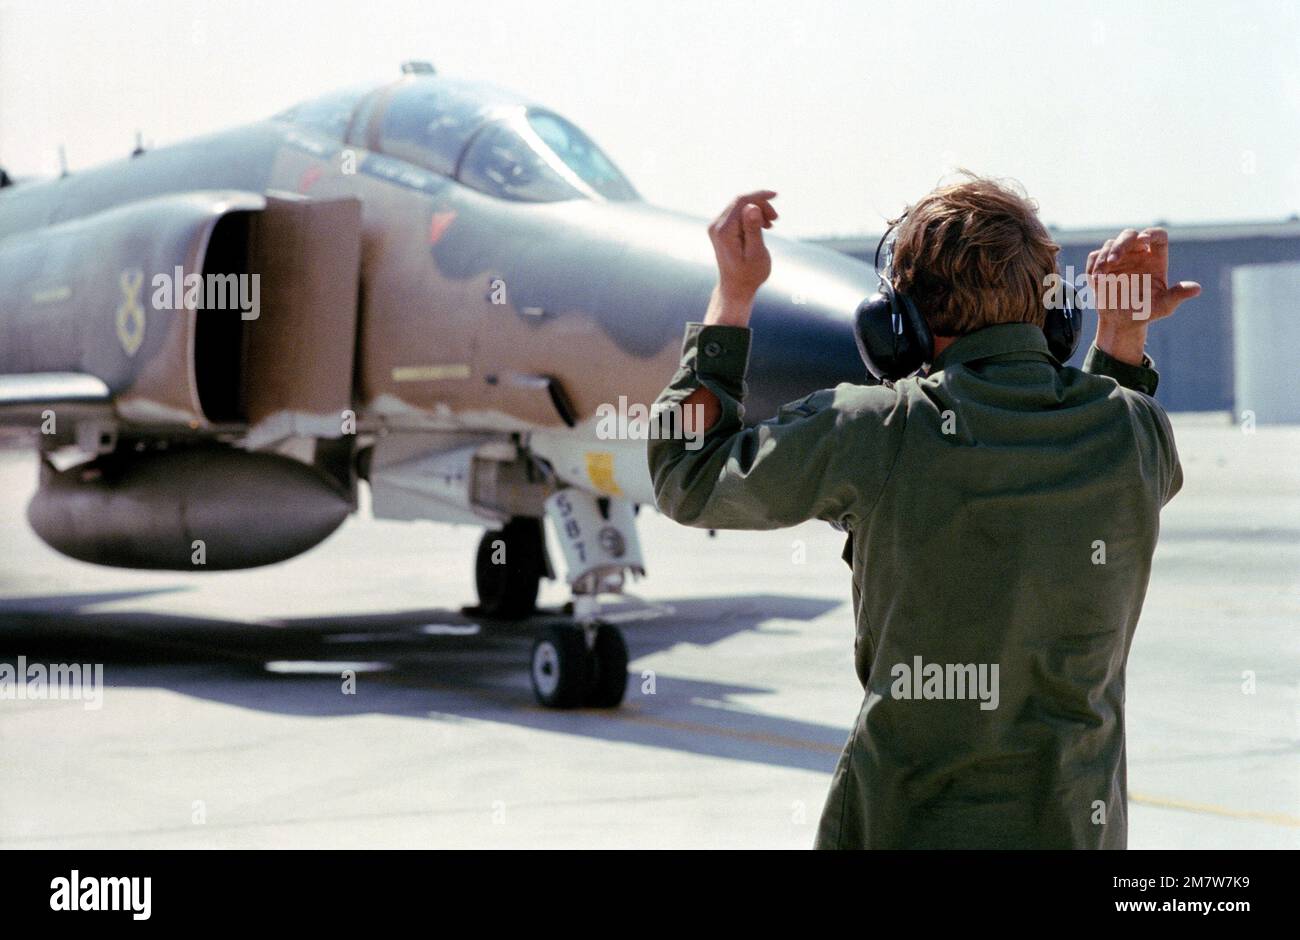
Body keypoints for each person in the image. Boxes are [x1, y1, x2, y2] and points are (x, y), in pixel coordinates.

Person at [647, 175, 1198, 848]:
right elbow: (1104, 434)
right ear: (1056, 317)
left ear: (895, 324)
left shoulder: (879, 428)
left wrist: (733, 296)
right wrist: (1121, 331)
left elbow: (689, 476)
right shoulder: (1135, 433)